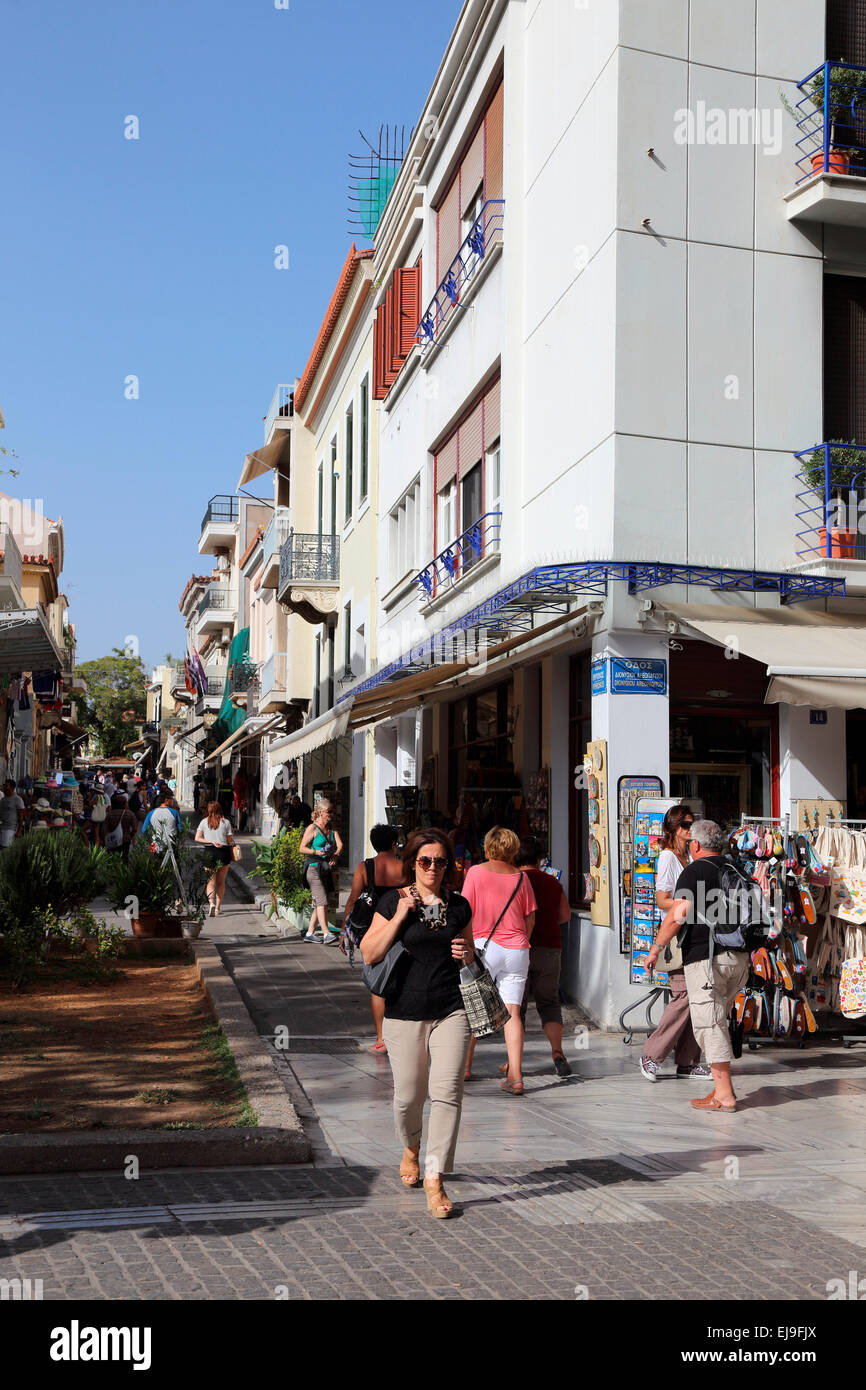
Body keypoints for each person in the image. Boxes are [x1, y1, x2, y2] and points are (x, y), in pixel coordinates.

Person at [360, 829, 475, 1219]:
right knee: (409, 1096)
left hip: (451, 1009)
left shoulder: (458, 907)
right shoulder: (393, 900)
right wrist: (399, 916)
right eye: (425, 861)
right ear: (413, 863)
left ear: (448, 866)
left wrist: (467, 952)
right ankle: (411, 1147)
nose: (433, 868)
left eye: (440, 861)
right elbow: (370, 952)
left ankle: (434, 1174)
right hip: (403, 1011)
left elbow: (470, 952)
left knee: (447, 1094)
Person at [646, 819, 750, 1113]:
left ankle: (725, 1095)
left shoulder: (694, 871)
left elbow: (678, 914)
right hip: (738, 959)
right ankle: (719, 1089)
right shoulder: (736, 868)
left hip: (707, 959)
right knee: (717, 1021)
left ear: (695, 845)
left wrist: (656, 948)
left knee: (709, 1024)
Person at [461, 827, 536, 1094]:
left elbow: (464, 912)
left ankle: (465, 1068)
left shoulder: (475, 873)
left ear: (488, 846)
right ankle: (515, 1076)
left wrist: (468, 947)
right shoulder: (521, 878)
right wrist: (520, 943)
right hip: (517, 949)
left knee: (473, 1007)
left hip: (483, 946)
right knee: (513, 1013)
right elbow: (530, 918)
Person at [639, 806, 711, 1084]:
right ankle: (651, 1054)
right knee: (682, 996)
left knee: (695, 997)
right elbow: (661, 899)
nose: (689, 829)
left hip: (694, 932)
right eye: (685, 825)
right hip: (677, 935)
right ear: (673, 828)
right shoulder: (669, 857)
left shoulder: (690, 855)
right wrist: (691, 904)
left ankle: (688, 1062)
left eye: (692, 824)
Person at [341, 824, 405, 1051]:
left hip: (372, 932)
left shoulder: (364, 867)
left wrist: (344, 932)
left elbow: (352, 900)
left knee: (378, 984)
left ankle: (381, 1039)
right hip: (400, 928)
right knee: (401, 978)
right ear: (393, 844)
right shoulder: (404, 868)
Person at [513, 836, 573, 1077]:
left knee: (516, 1007)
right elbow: (565, 916)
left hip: (519, 949)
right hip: (550, 948)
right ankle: (557, 1052)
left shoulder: (513, 881)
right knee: (549, 1004)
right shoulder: (552, 882)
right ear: (539, 859)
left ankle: (512, 1062)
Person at [299, 800, 343, 943]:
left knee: (320, 901)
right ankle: (326, 933)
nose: (332, 814)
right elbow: (301, 848)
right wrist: (316, 852)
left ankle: (310, 933)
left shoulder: (331, 828)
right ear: (321, 813)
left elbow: (340, 845)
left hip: (324, 869)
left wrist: (335, 855)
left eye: (333, 812)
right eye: (329, 812)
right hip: (312, 868)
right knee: (322, 900)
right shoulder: (312, 828)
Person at [195, 801, 236, 916]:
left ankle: (211, 903)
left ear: (208, 810)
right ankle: (218, 908)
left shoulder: (204, 822)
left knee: (210, 882)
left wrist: (210, 841)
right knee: (221, 882)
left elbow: (197, 838)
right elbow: (229, 841)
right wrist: (232, 835)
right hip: (223, 852)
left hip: (209, 852)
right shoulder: (226, 822)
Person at [100, 793, 138, 858]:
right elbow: (135, 828)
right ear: (124, 804)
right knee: (124, 857)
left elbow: (104, 830)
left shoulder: (110, 814)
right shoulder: (130, 814)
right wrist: (130, 835)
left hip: (113, 840)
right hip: (125, 840)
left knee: (112, 858)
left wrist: (104, 841)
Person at [0, 778, 25, 846]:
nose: (4, 787)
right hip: (2, 827)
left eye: (6, 786)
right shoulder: (3, 800)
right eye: (4, 785)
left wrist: (19, 831)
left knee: (6, 847)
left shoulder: (17, 799)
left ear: (12, 788)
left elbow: (21, 817)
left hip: (11, 829)